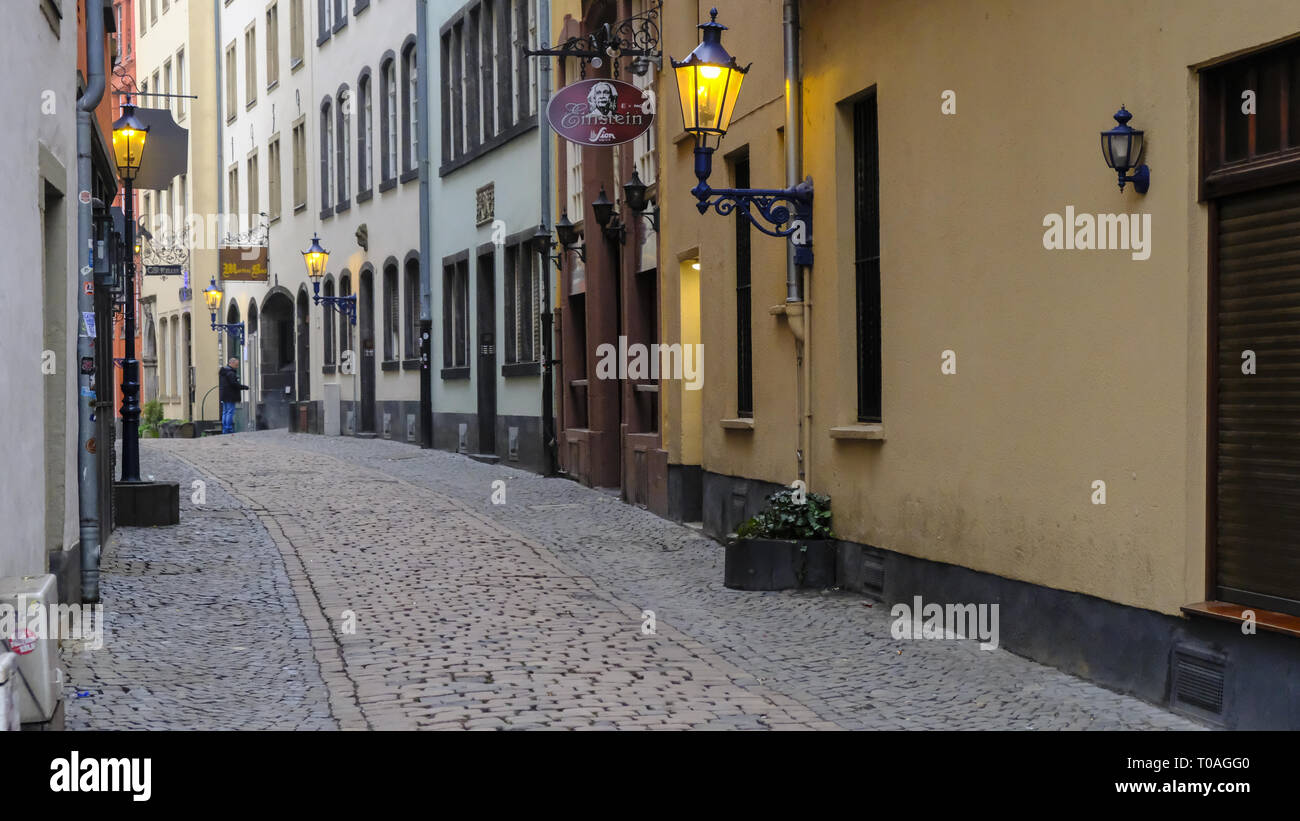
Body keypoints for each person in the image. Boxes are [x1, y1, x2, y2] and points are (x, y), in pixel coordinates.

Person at [218, 357, 249, 434]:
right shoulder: (230, 373)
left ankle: (225, 429)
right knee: (230, 412)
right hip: (230, 395)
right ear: (231, 363)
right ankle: (228, 429)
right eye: (236, 365)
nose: (237, 366)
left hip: (224, 395)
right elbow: (234, 384)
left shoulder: (224, 372)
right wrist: (244, 387)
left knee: (225, 412)